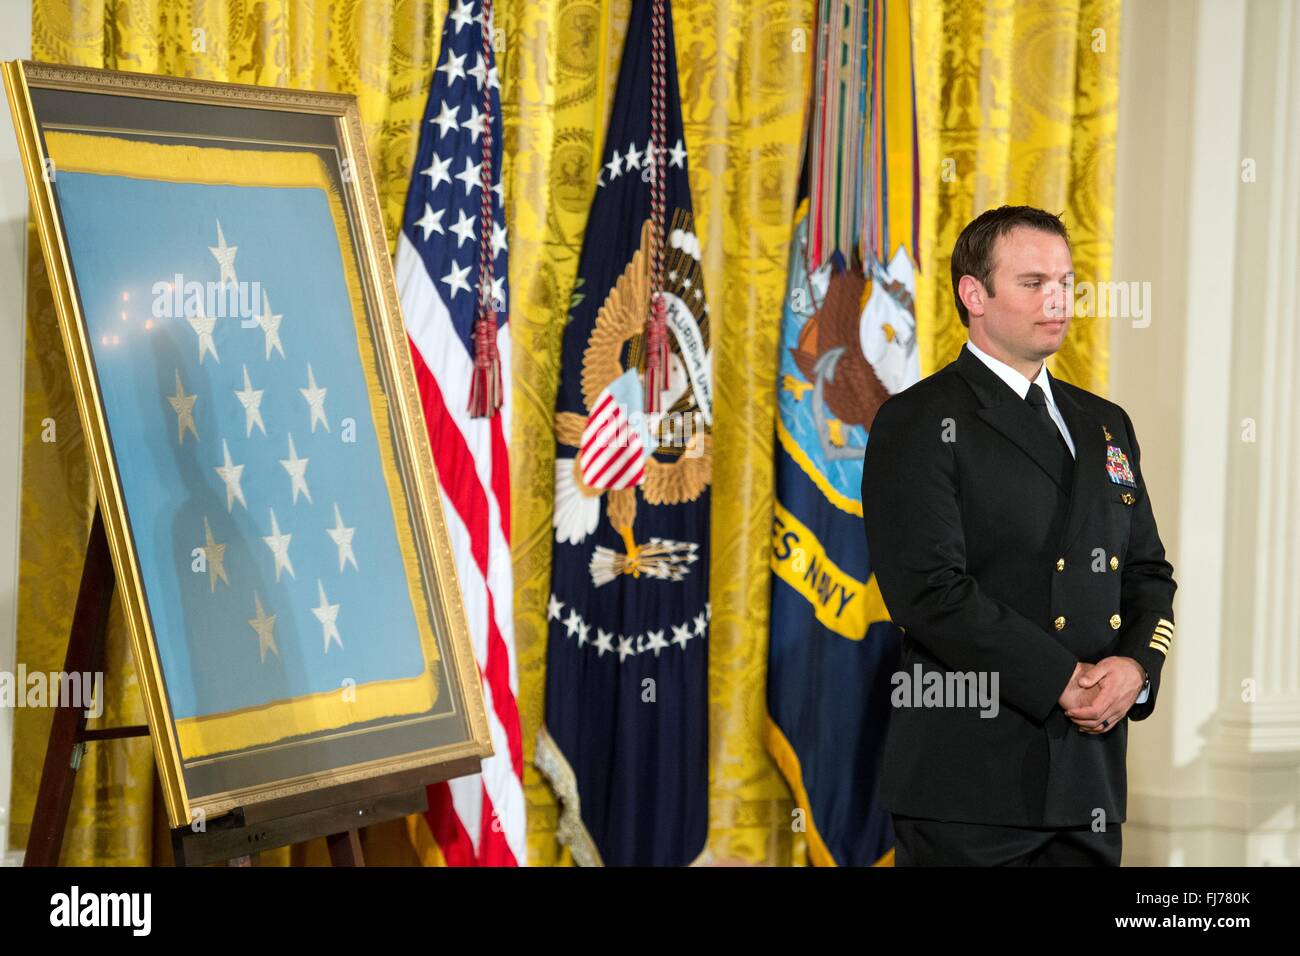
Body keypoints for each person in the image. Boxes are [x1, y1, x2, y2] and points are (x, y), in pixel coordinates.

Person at [861, 205, 1177, 866]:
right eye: (1034, 282)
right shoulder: (920, 420)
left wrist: (1136, 669)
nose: (1058, 299)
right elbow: (930, 593)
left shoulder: (1104, 422)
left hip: (1088, 780)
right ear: (974, 294)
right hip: (970, 786)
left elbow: (1147, 573)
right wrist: (1063, 679)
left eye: (1065, 282)